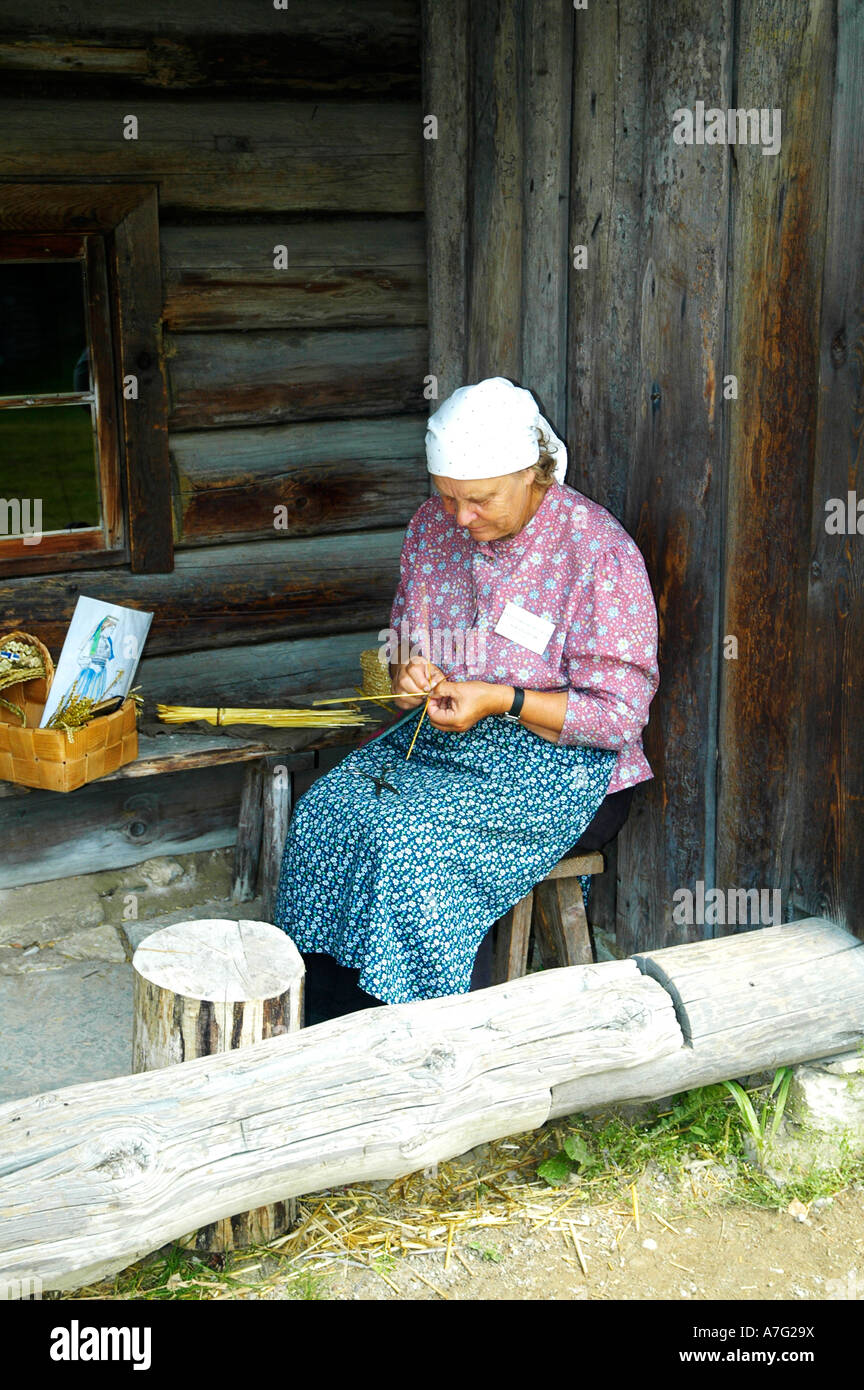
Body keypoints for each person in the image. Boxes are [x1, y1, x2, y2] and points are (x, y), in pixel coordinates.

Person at [273, 377, 660, 1023]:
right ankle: (320, 1026)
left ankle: (429, 1038)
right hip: (440, 747)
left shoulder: (598, 553)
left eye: (479, 500)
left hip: (567, 774)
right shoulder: (432, 528)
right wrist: (399, 679)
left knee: (407, 843)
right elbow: (390, 651)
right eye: (448, 497)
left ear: (535, 473)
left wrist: (503, 699)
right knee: (326, 812)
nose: (460, 518)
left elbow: (618, 717)